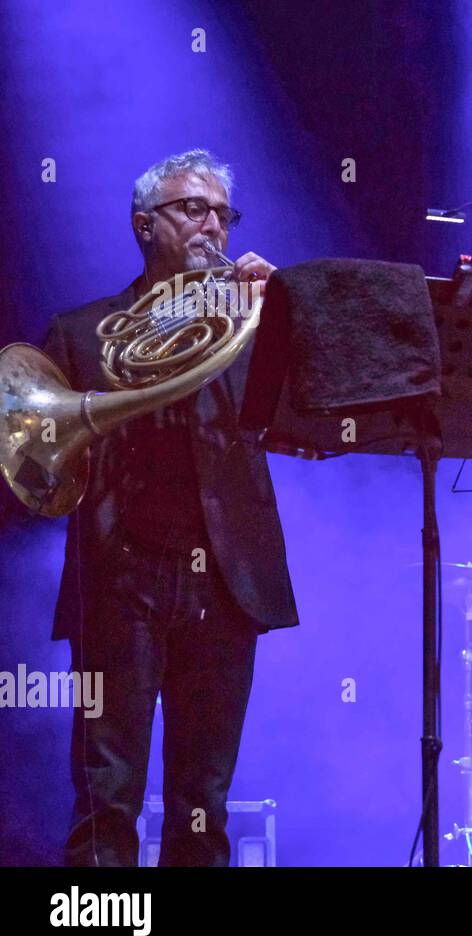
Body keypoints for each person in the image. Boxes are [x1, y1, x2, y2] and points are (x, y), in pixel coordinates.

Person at [41, 148, 298, 866]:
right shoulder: (82, 330)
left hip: (226, 580)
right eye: (193, 208)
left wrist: (286, 312)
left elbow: (316, 416)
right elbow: (36, 461)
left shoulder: (251, 324)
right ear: (143, 225)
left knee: (202, 804)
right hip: (120, 575)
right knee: (106, 793)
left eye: (222, 211)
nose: (211, 224)